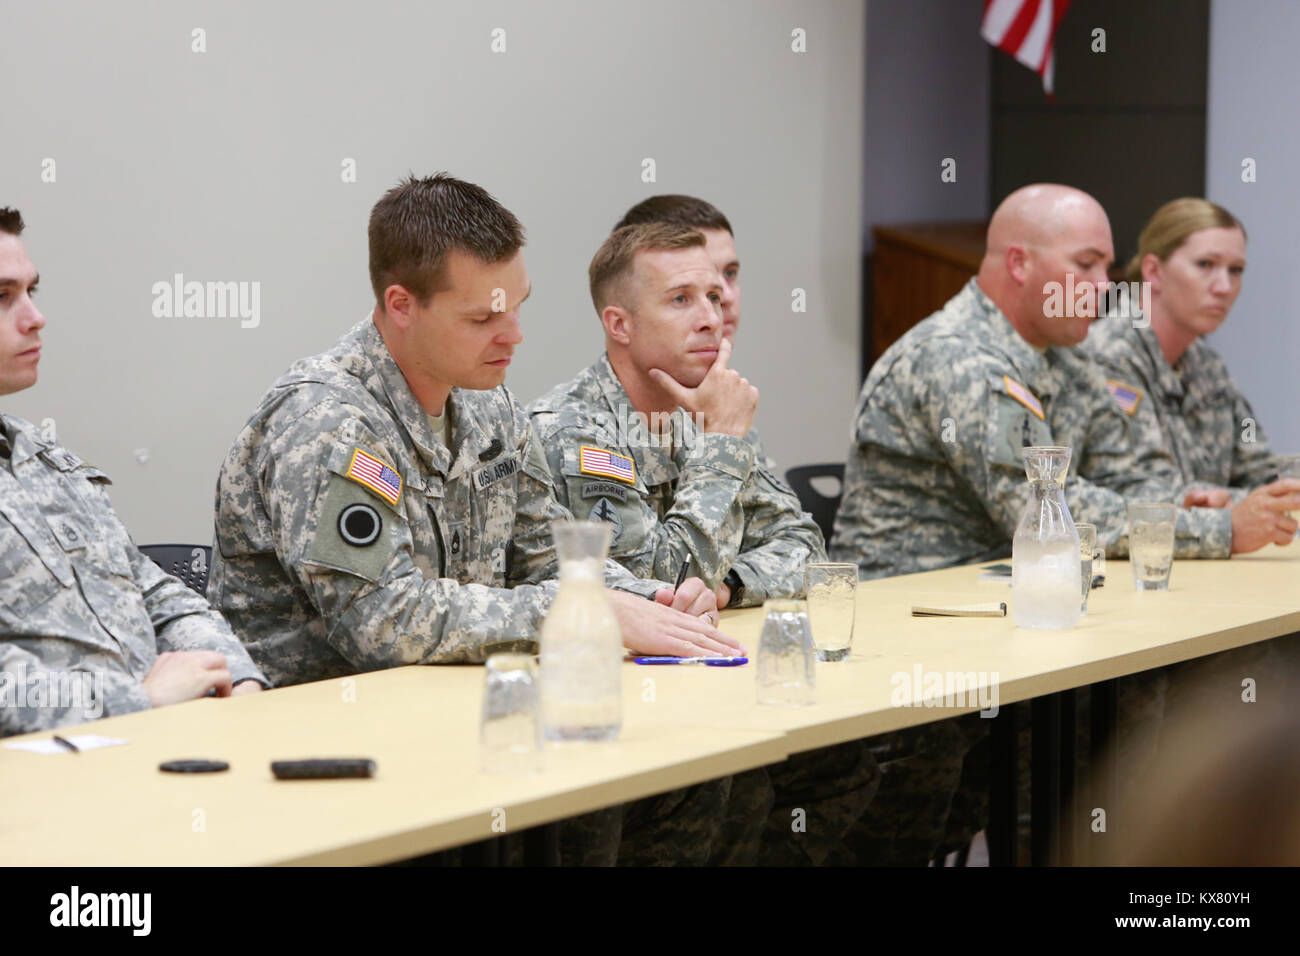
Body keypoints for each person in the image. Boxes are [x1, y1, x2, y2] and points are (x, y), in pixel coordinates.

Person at [209, 174, 745, 865]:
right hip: (328, 750)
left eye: (517, 307)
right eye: (482, 318)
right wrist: (586, 611)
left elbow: (548, 555)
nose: (514, 336)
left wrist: (655, 600)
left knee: (680, 772)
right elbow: (386, 621)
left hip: (460, 714)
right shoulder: (327, 423)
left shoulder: (488, 404)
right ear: (401, 305)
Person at [829, 184, 1300, 864]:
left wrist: (1199, 502)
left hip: (1015, 623)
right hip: (917, 637)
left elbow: (1135, 474)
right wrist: (1220, 531)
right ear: (1020, 264)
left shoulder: (1066, 361)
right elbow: (1048, 510)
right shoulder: (960, 358)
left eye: (1108, 269)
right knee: (1125, 707)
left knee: (1154, 685)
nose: (1106, 290)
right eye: (1087, 267)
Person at [528, 217, 876, 865]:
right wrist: (719, 446)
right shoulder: (574, 430)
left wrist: (731, 583)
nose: (712, 319)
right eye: (682, 300)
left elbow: (804, 545)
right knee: (731, 784)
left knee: (844, 767)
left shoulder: (707, 405)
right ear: (619, 324)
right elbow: (662, 592)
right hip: (608, 713)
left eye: (716, 298)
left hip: (699, 688)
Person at [0, 207, 267, 737]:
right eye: (1, 297)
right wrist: (137, 698)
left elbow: (154, 593)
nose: (35, 317)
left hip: (150, 749)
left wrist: (233, 676)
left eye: (32, 291)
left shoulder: (39, 458)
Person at [1088, 198, 1293, 503]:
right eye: (1206, 265)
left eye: (1235, 270)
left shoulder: (1205, 361)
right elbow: (1148, 492)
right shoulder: (1109, 353)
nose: (1224, 286)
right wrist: (1248, 505)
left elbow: (1258, 469)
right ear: (1154, 271)